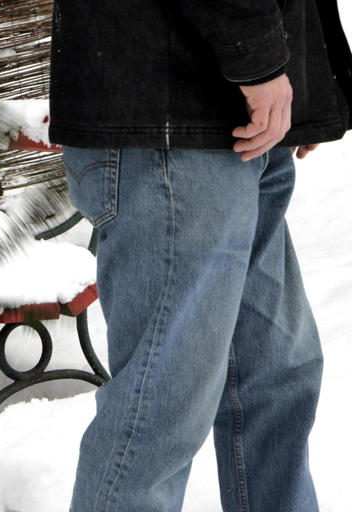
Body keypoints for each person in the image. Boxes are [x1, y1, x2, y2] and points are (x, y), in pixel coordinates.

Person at [49, 1, 351, 511]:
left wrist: (303, 83)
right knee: (160, 408)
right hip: (171, 118)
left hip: (229, 118)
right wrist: (259, 61)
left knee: (276, 378)